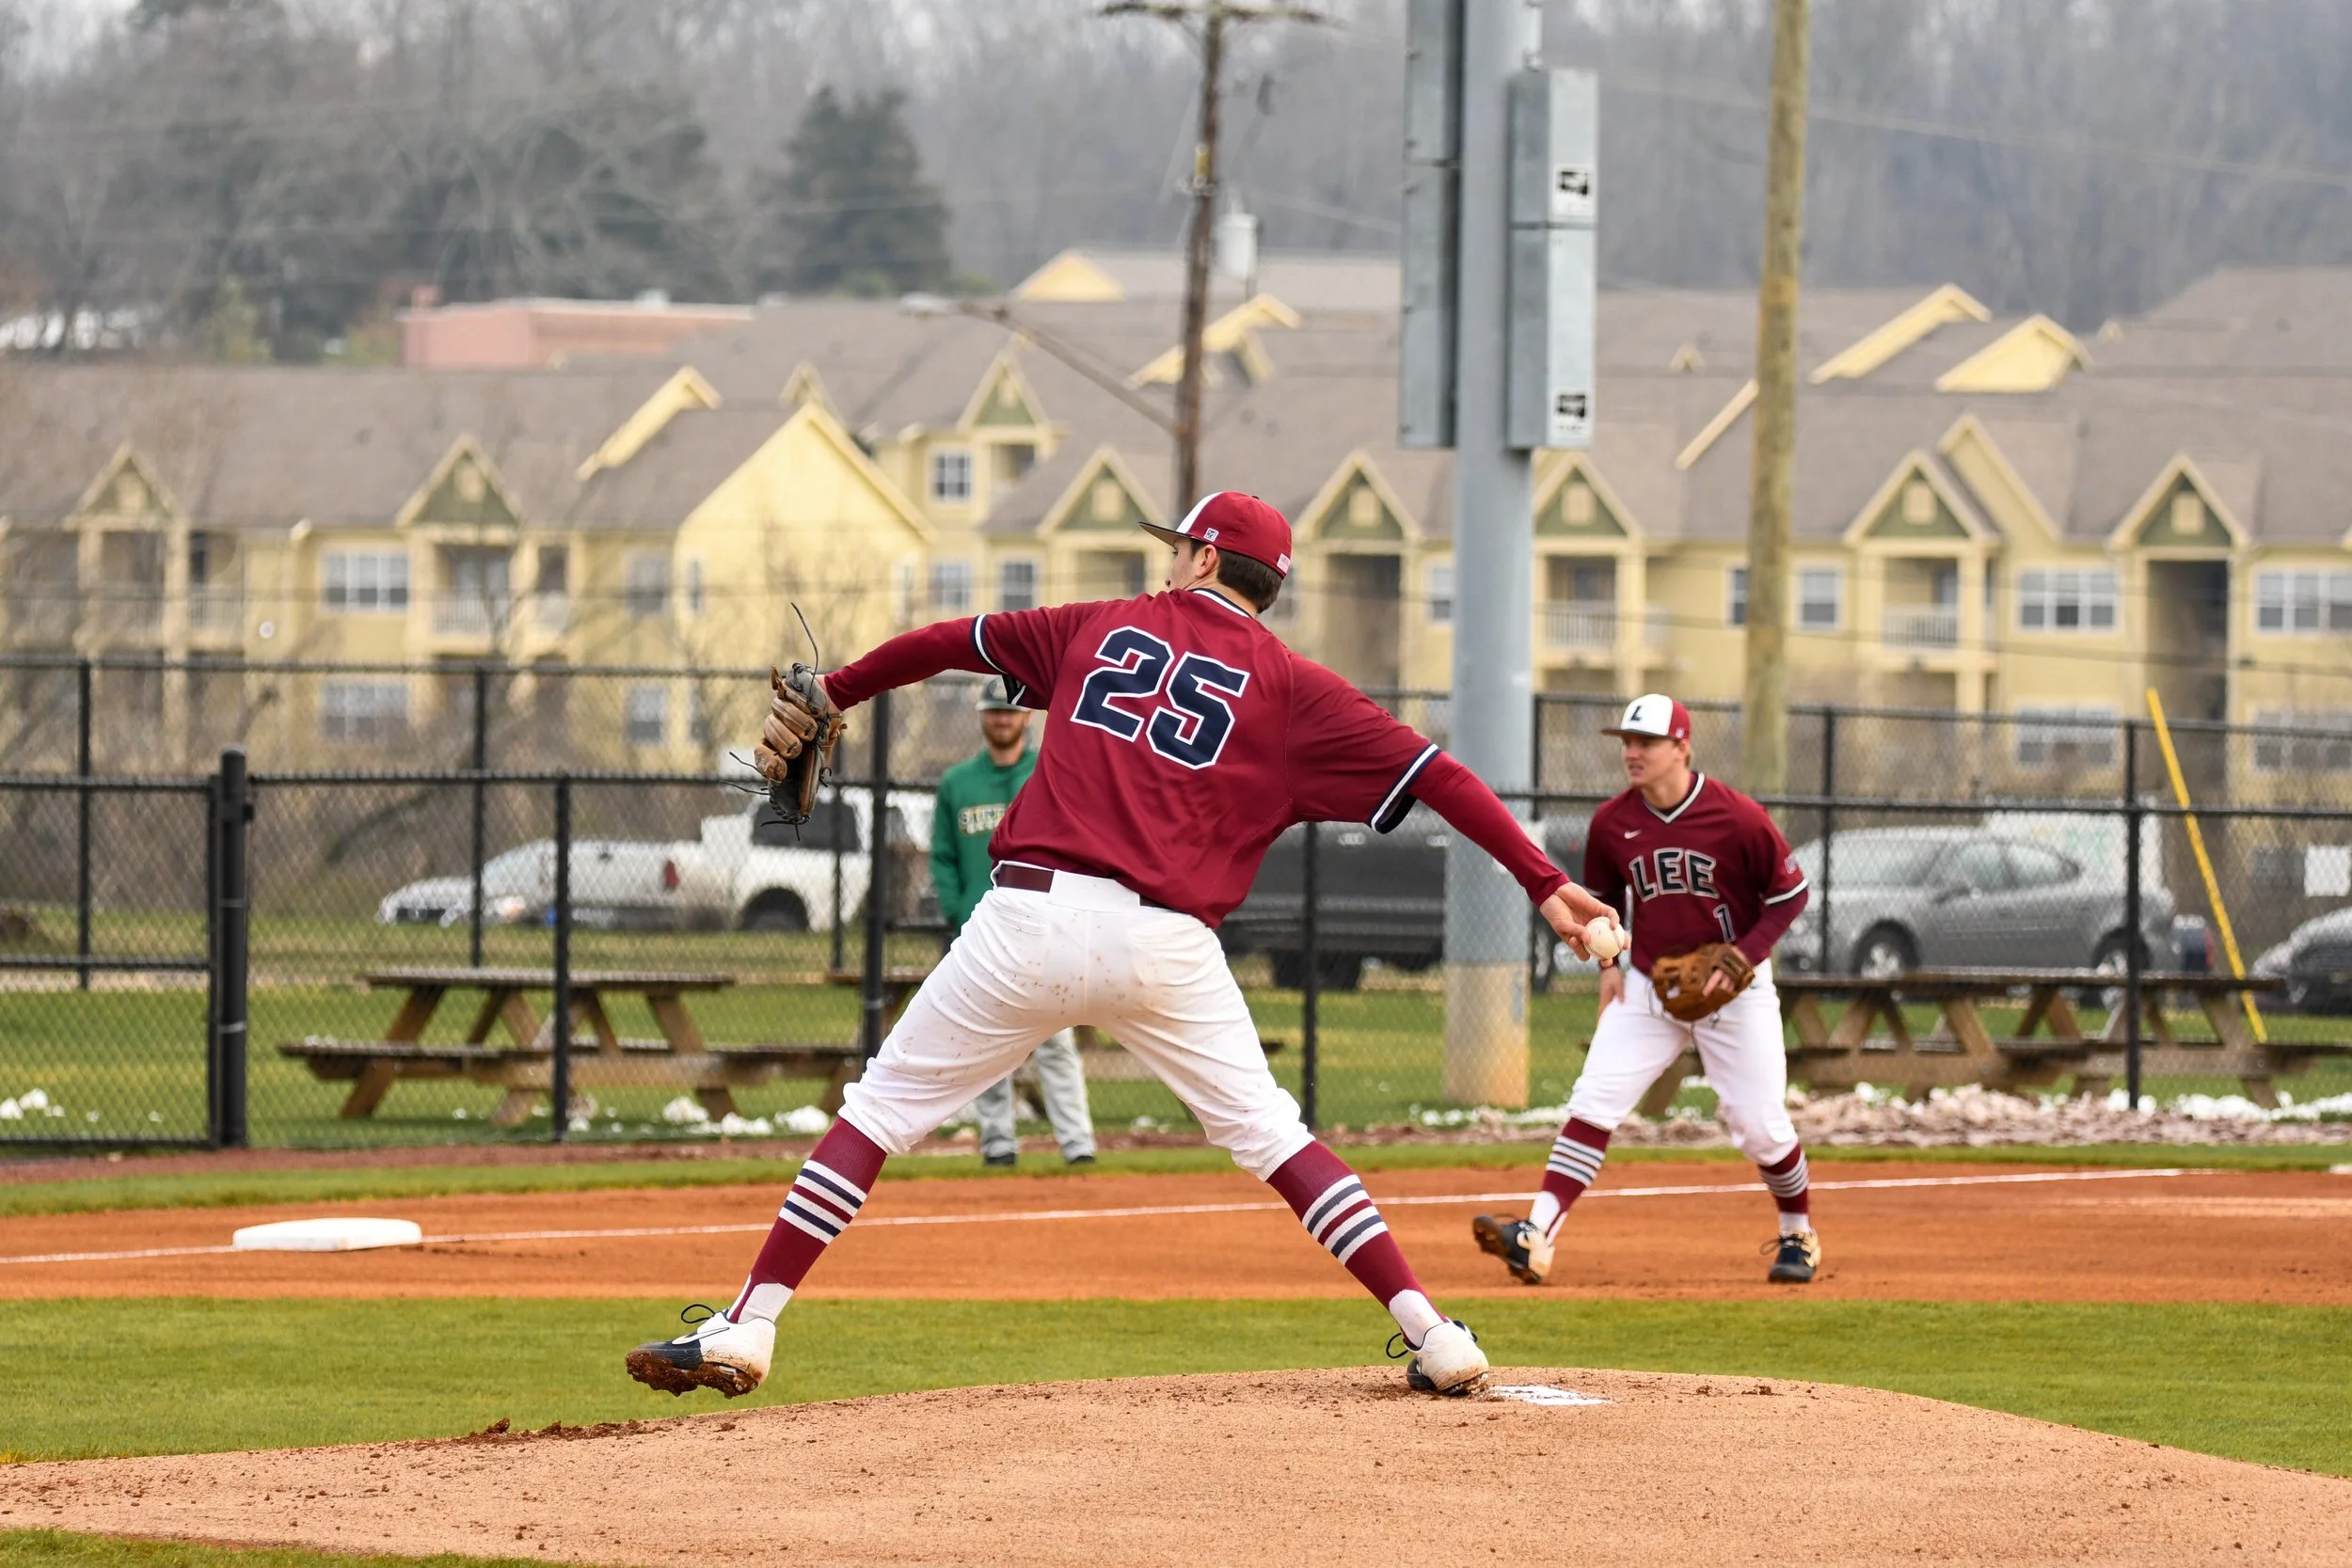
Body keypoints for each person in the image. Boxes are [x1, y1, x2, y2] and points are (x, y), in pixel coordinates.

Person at [627, 491, 1620, 1402]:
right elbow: (1443, 777)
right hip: (1165, 944)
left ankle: (749, 1324)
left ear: (1204, 558)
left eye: (1179, 546)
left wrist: (839, 687)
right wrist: (1547, 883)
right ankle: (1434, 1333)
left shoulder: (1099, 624)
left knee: (878, 1113)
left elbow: (944, 641)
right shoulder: (1294, 687)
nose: (1168, 561)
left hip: (1028, 920)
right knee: (1275, 1137)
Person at [1472, 693, 1821, 1287]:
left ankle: (1798, 1233)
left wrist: (1745, 955)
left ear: (1682, 747)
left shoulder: (1738, 816)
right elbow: (1604, 901)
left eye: (1646, 743)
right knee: (1593, 1102)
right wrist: (1609, 967)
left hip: (1735, 990)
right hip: (1649, 985)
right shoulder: (1613, 822)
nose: (1632, 752)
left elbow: (1790, 895)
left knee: (1759, 1125)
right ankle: (1535, 1236)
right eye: (1627, 742)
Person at [934, 676, 1095, 1168]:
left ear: (1028, 716)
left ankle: (1078, 1144)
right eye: (994, 711)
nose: (1002, 719)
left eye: (1010, 711)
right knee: (985, 1042)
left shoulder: (1049, 772)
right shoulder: (957, 783)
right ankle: (997, 1142)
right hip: (980, 931)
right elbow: (942, 856)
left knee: (1056, 1042)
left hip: (1046, 929)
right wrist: (957, 908)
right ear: (982, 718)